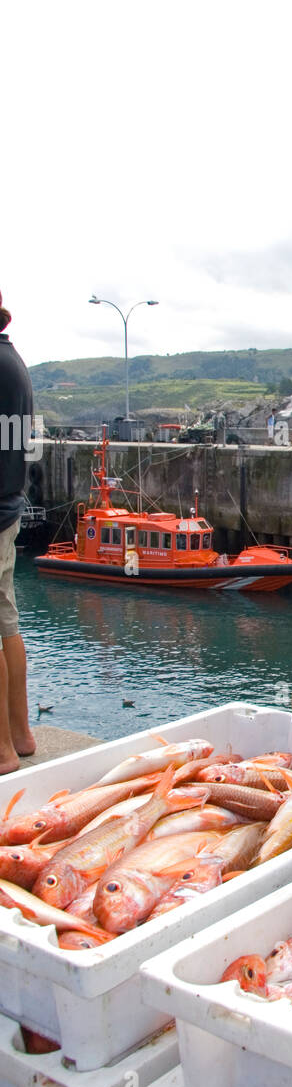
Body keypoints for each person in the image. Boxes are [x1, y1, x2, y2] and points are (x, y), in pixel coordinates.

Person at [0, 291, 36, 773]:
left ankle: (3, 751)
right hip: (7, 505)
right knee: (6, 617)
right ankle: (21, 736)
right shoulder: (13, 362)